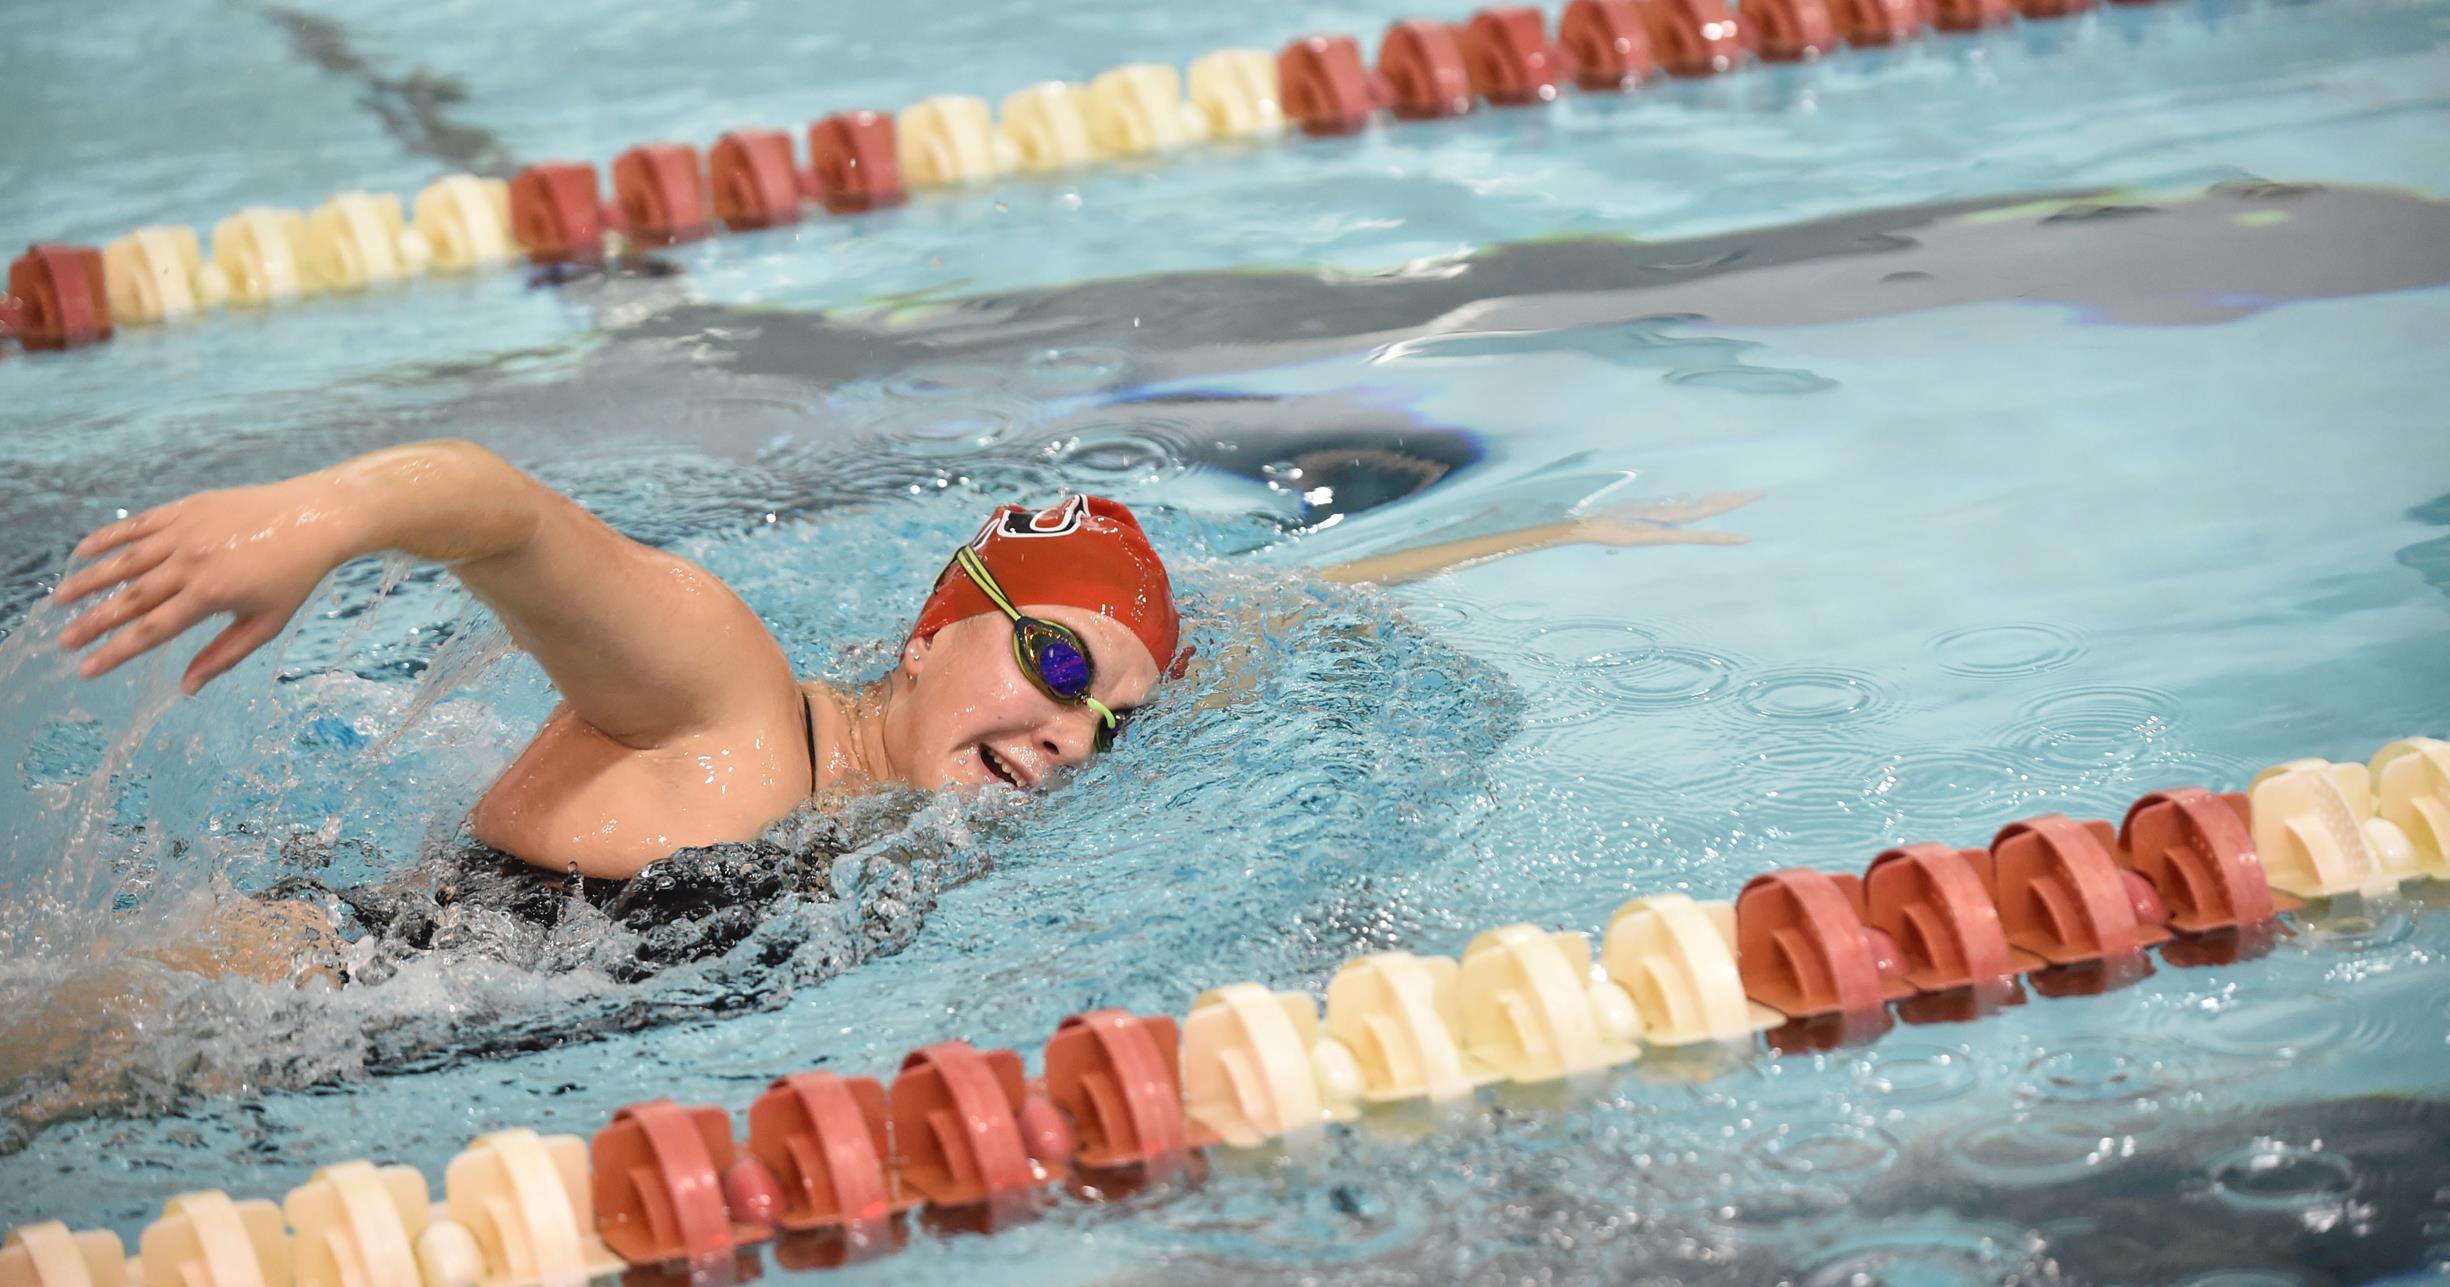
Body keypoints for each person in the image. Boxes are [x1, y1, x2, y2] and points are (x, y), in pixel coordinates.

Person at [51, 439, 1758, 884]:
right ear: (932, 631)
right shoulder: (728, 707)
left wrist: (1545, 533)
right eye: (1059, 674)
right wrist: (312, 521)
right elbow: (501, 513)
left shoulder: (890, 790)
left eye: (1116, 728)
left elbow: (1245, 621)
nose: (1074, 739)